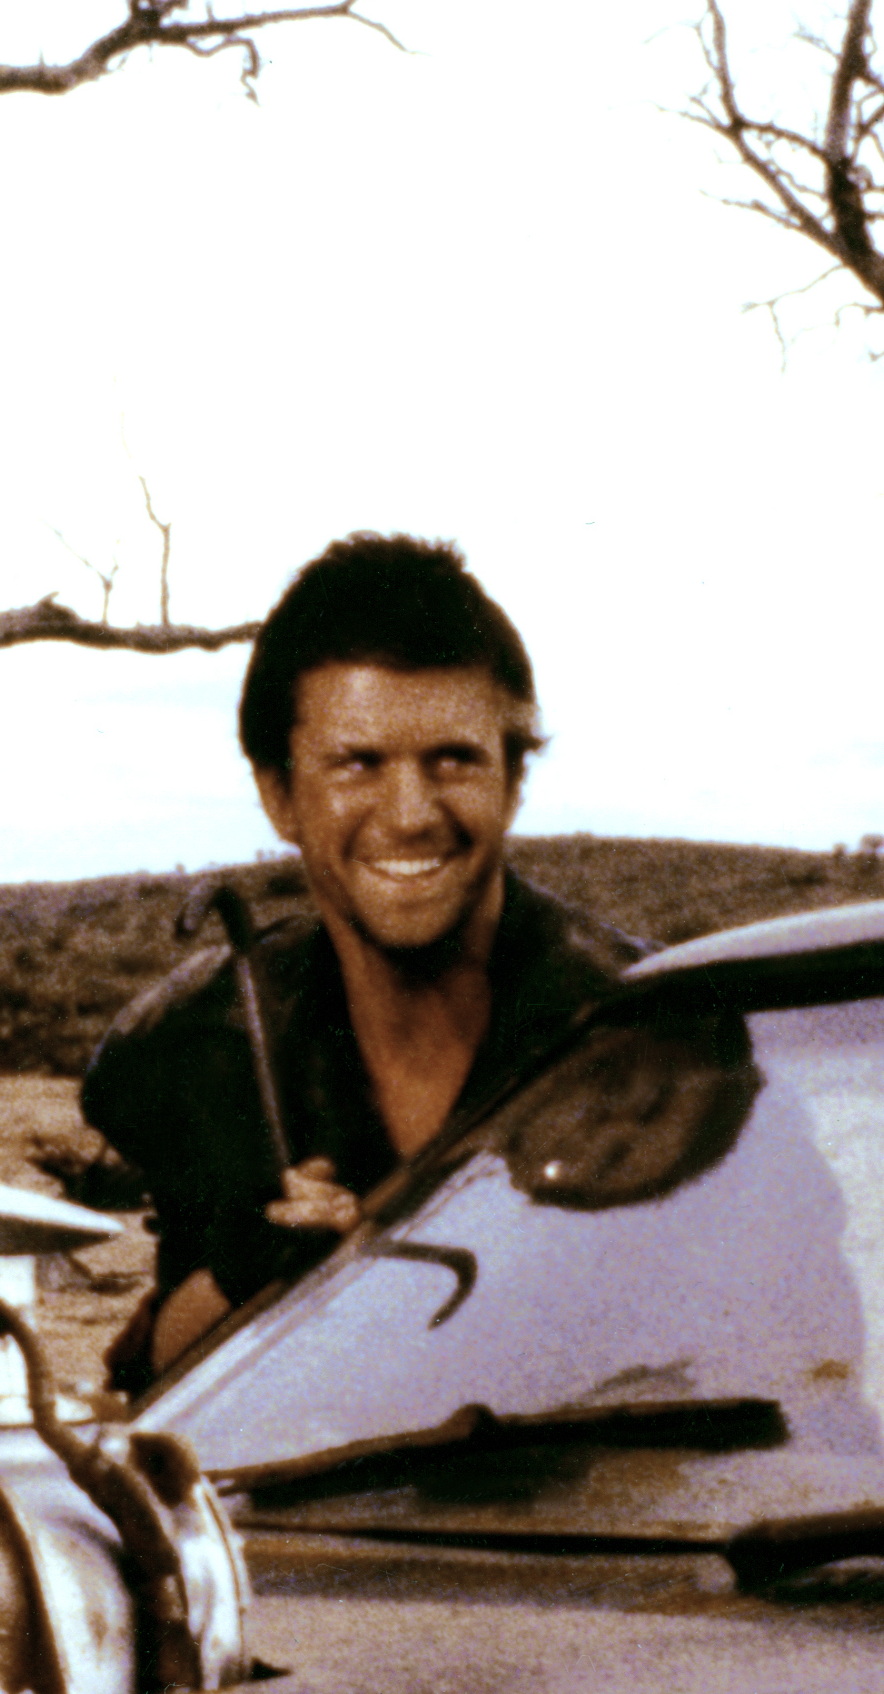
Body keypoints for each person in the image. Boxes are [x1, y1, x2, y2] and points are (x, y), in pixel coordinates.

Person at [87, 534, 629, 1390]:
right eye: (357, 764)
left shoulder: (656, 1029)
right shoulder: (198, 1049)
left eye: (453, 760)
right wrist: (244, 1276)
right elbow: (160, 1389)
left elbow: (807, 1366)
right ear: (279, 794)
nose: (410, 813)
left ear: (514, 780)